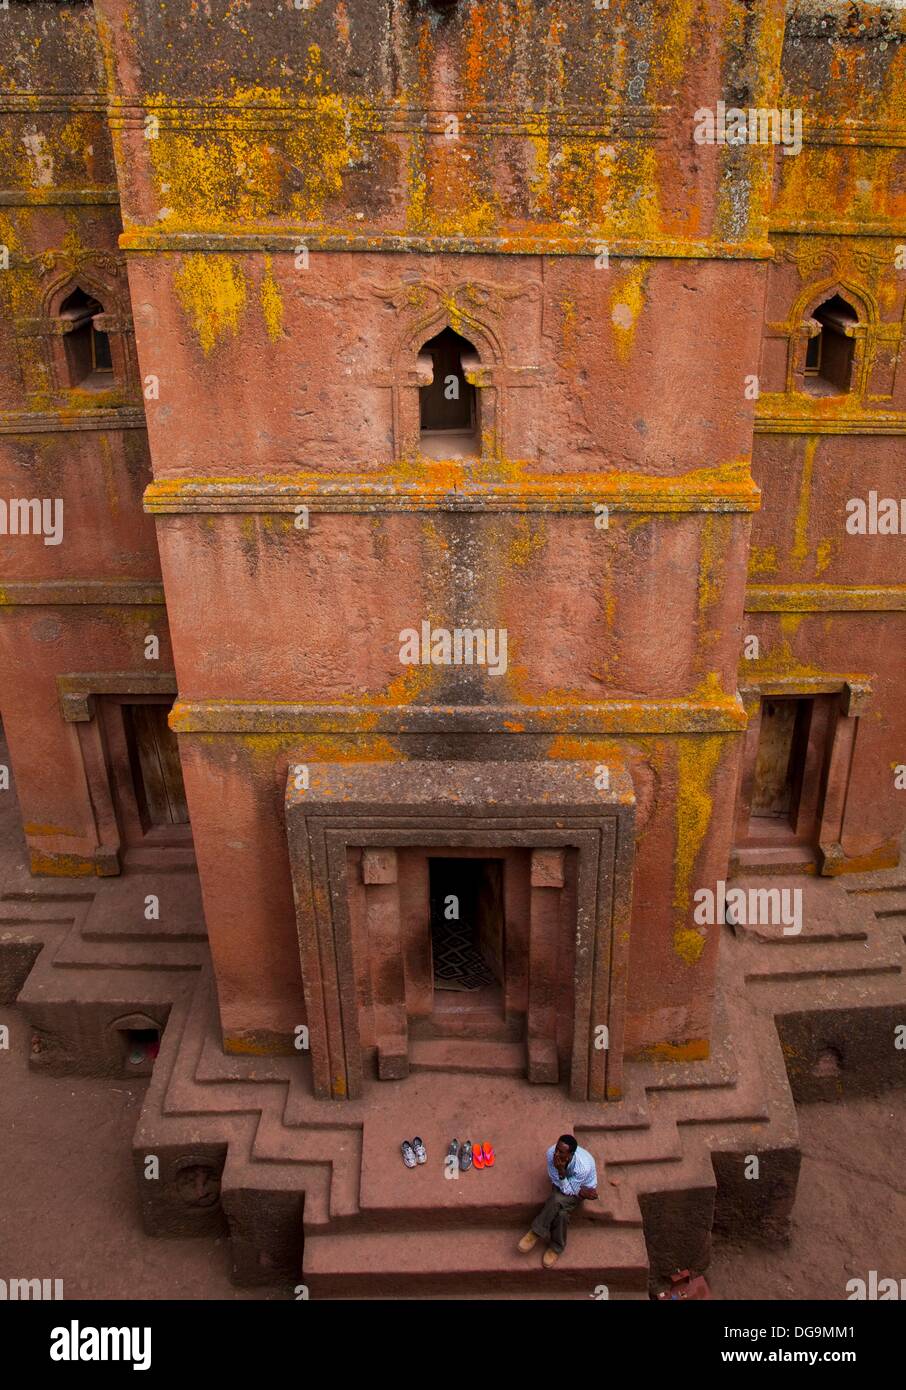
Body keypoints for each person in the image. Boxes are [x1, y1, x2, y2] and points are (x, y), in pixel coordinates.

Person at [517, 1133, 598, 1267]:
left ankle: (535, 1232)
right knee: (562, 1214)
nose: (556, 1153)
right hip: (563, 1185)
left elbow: (572, 1191)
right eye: (557, 1149)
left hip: (582, 1190)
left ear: (571, 1154)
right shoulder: (551, 1153)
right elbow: (556, 1181)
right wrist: (560, 1174)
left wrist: (561, 1170)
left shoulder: (583, 1168)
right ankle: (556, 1247)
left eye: (561, 1152)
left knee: (555, 1199)